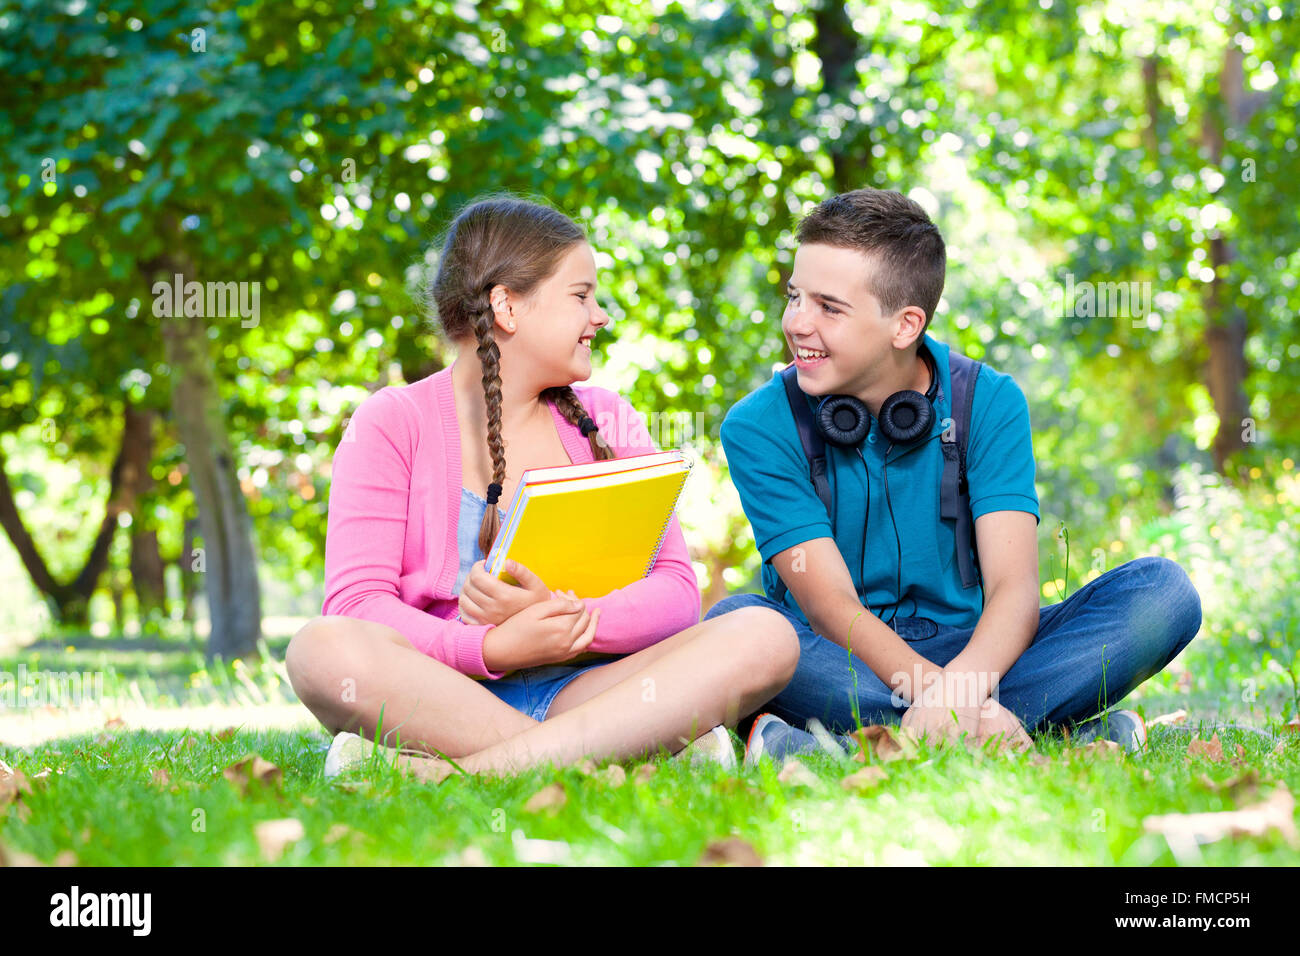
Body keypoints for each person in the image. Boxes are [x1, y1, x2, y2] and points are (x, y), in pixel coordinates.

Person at [285, 194, 799, 782]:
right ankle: (610, 758)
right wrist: (494, 650)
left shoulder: (609, 418)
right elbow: (357, 605)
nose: (600, 316)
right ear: (507, 306)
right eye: (581, 295)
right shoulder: (390, 422)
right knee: (319, 650)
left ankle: (456, 772)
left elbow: (677, 593)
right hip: (441, 696)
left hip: (591, 690)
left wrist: (567, 620)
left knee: (764, 634)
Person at [705, 187, 1202, 762]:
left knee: (1164, 593)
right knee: (739, 623)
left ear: (905, 325)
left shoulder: (990, 402)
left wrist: (959, 688)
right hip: (843, 656)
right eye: (794, 297)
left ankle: (842, 746)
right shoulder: (757, 425)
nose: (797, 322)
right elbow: (831, 606)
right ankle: (1033, 730)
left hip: (983, 652)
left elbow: (1014, 594)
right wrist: (953, 699)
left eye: (828, 307)